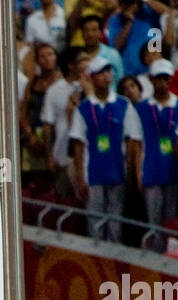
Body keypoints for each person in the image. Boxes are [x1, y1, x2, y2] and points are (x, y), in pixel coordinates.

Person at [70, 57, 142, 243]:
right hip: (92, 175)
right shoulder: (84, 108)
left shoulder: (123, 104)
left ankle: (114, 267)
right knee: (95, 224)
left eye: (108, 72)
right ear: (92, 77)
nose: (106, 76)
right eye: (101, 73)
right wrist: (80, 177)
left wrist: (131, 173)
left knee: (115, 224)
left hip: (117, 172)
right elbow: (78, 144)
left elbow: (132, 140)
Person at [136, 58, 178, 230]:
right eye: (158, 78)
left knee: (171, 222)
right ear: (151, 79)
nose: (163, 83)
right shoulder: (141, 107)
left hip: (174, 171)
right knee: (154, 222)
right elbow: (136, 143)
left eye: (166, 78)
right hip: (151, 171)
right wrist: (138, 173)